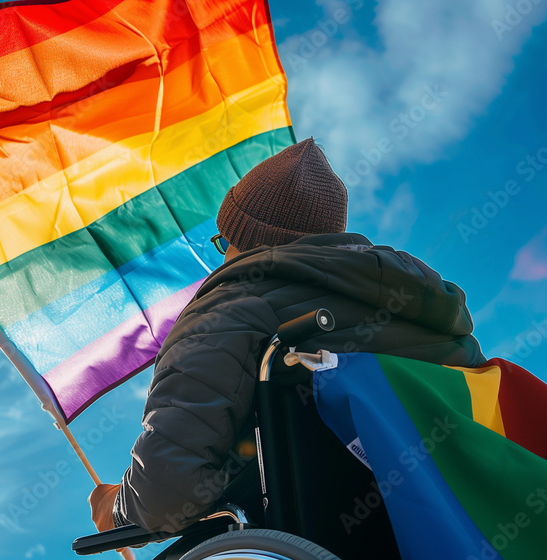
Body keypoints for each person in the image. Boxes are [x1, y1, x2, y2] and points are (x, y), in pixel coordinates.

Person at [88, 137, 486, 558]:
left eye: (224, 243)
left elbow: (164, 494)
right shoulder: (440, 326)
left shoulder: (228, 315)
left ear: (243, 242)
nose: (223, 259)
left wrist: (116, 508)